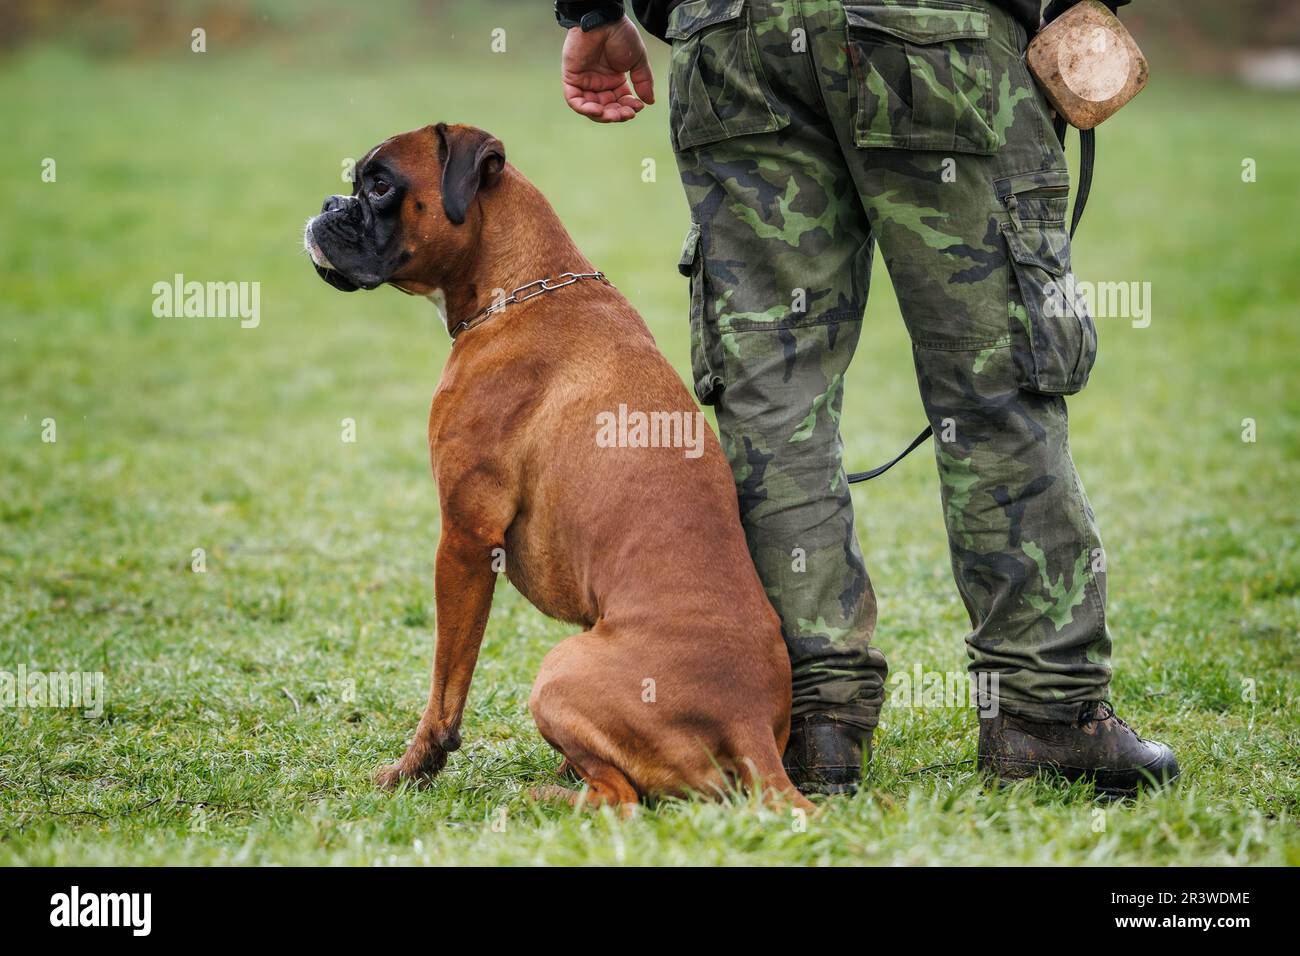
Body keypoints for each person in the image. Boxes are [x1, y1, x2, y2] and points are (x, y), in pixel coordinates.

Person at [554, 0, 1179, 797]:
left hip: (735, 37)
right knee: (997, 379)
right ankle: (1044, 714)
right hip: (933, 29)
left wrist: (597, 9)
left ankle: (813, 725)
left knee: (772, 400)